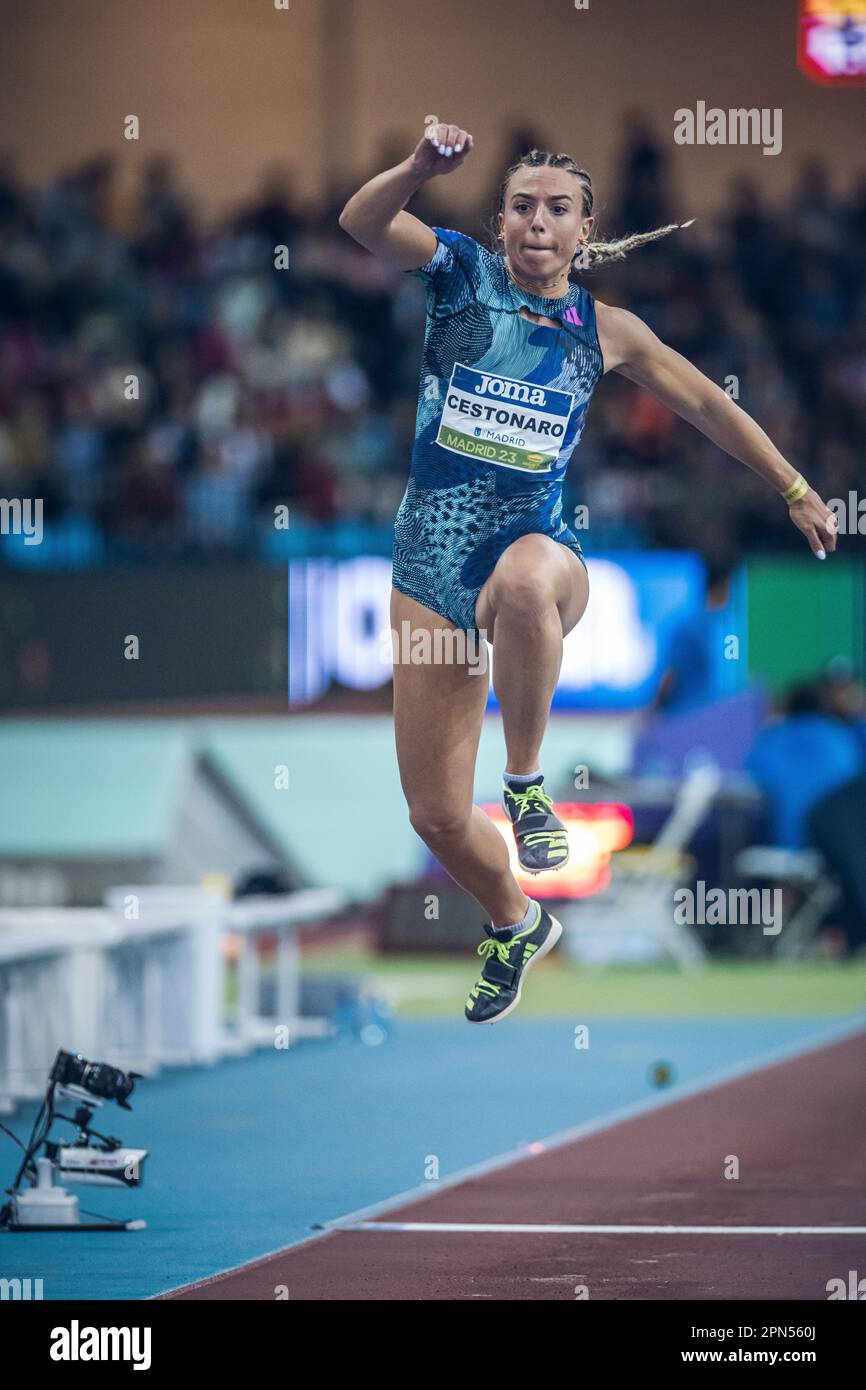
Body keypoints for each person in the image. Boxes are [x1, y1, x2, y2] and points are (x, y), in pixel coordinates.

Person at [338, 120, 838, 1025]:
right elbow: (361, 224)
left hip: (541, 548)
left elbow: (707, 407)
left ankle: (526, 786)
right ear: (499, 223)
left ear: (583, 228)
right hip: (430, 566)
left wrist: (793, 484)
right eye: (522, 206)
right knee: (439, 817)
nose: (537, 222)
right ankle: (514, 921)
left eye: (556, 209)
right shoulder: (458, 274)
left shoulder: (605, 331)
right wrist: (417, 167)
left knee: (527, 584)